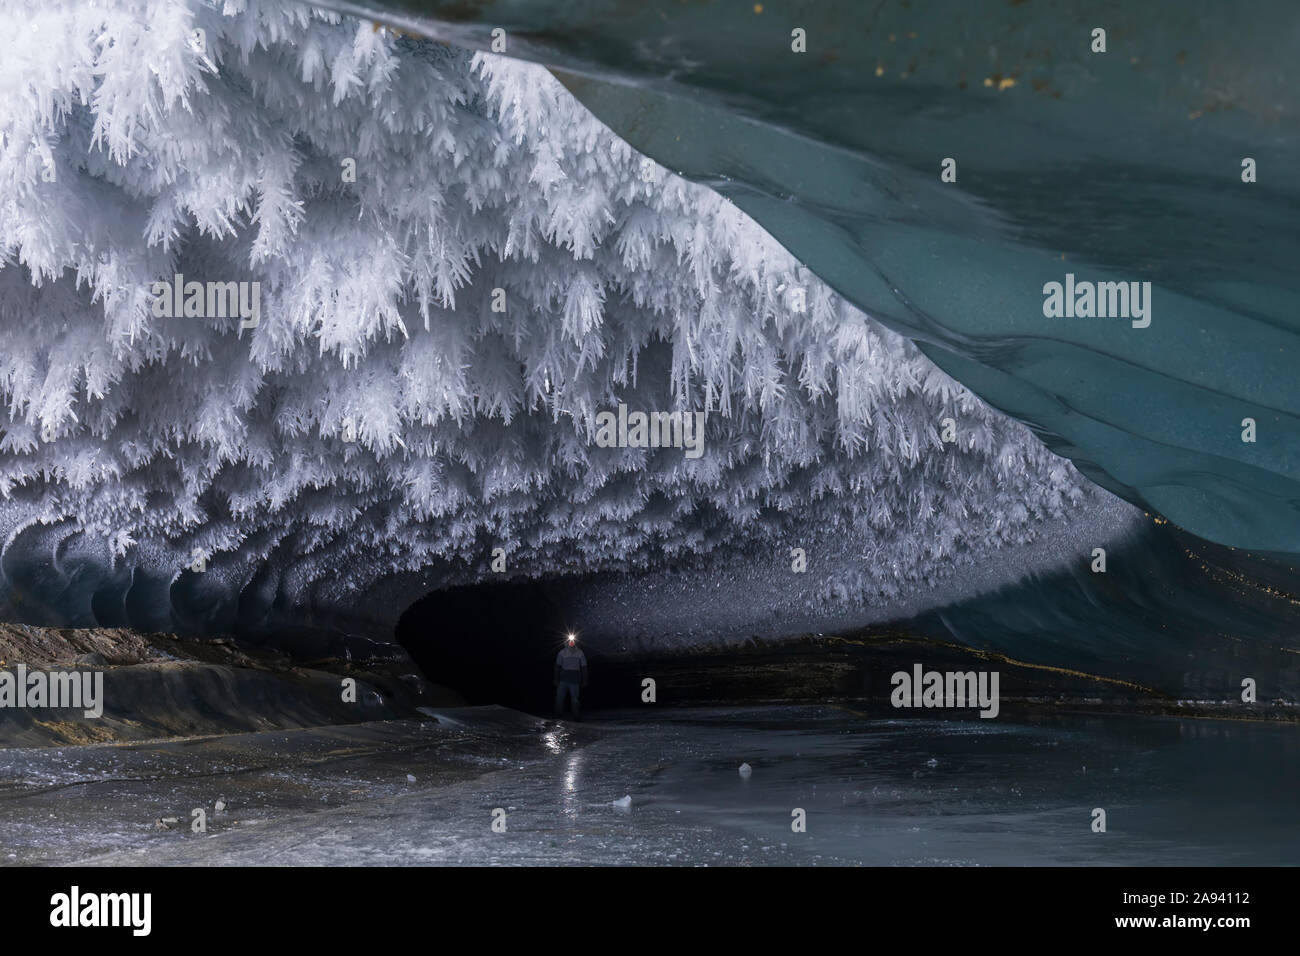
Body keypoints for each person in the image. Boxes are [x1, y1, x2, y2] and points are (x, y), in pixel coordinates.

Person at [554, 633, 588, 719]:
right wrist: (556, 679)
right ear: (567, 641)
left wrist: (585, 680)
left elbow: (584, 667)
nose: (571, 642)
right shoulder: (562, 652)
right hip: (563, 679)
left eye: (573, 641)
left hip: (575, 679)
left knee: (575, 699)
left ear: (575, 642)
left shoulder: (580, 652)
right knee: (559, 698)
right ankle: (558, 715)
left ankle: (576, 716)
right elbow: (557, 667)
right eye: (570, 640)